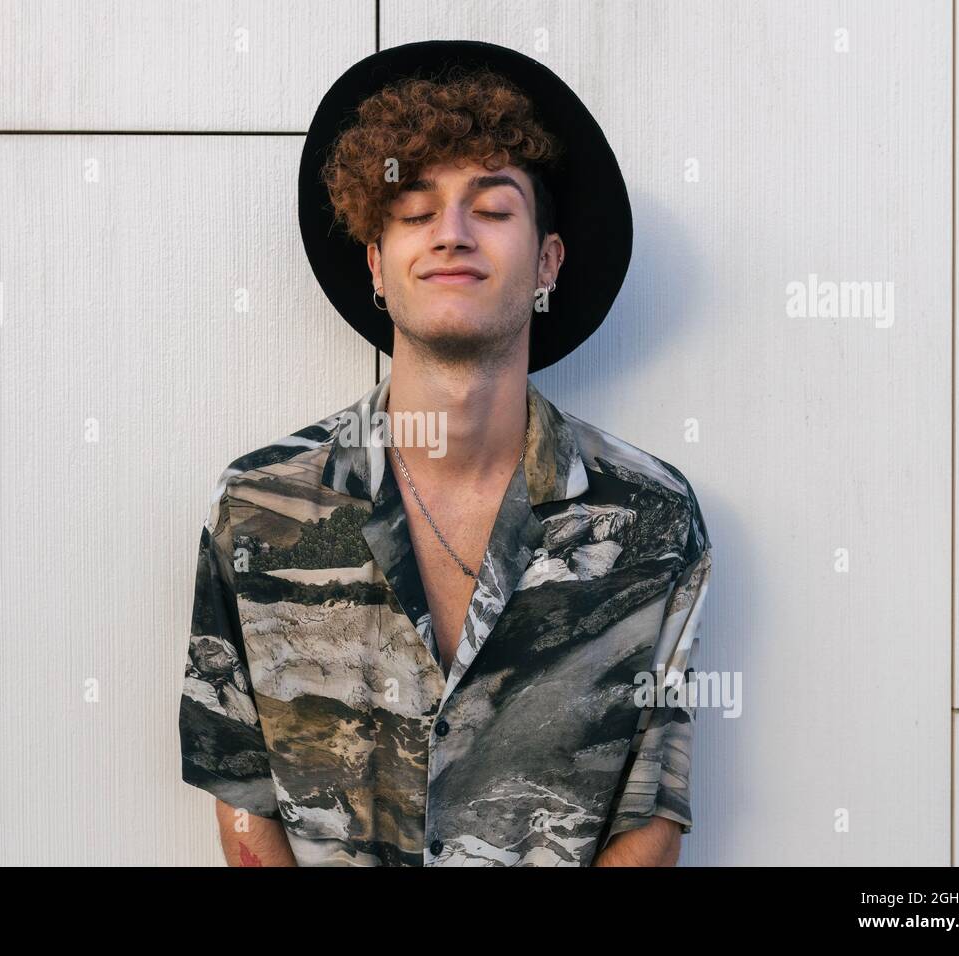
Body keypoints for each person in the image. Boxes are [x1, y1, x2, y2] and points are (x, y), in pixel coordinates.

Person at [179, 40, 713, 866]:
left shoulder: (650, 520)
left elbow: (651, 816)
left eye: (493, 210)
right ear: (377, 267)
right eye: (416, 212)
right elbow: (242, 796)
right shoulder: (261, 507)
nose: (452, 234)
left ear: (546, 261)